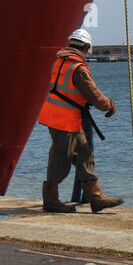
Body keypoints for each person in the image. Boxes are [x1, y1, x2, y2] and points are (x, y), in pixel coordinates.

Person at [37, 28, 124, 213]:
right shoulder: (78, 68)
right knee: (59, 159)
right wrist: (109, 105)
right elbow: (93, 94)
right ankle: (51, 200)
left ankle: (96, 197)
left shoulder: (60, 61)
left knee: (84, 154)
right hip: (65, 120)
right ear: (85, 47)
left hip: (59, 117)